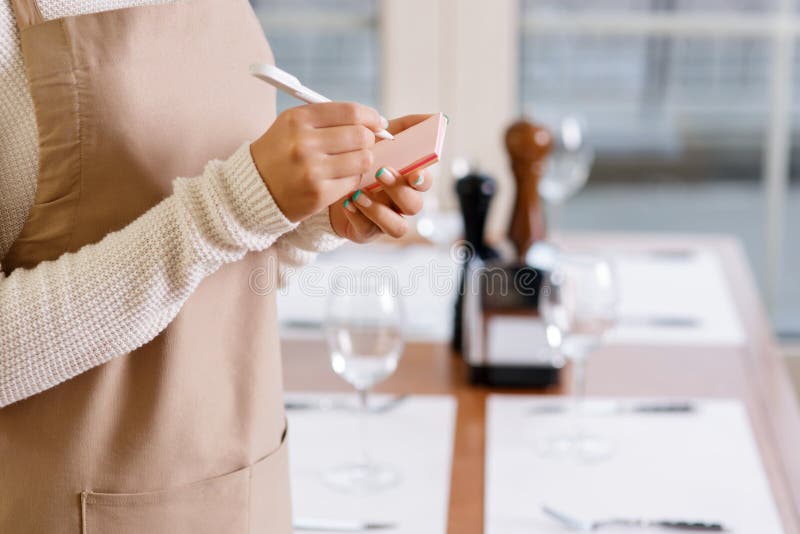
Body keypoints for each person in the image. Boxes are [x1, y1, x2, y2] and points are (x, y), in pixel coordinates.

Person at [0, 0, 433, 532]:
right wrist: (233, 207)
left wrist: (308, 219)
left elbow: (225, 282)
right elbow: (219, 220)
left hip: (248, 483)